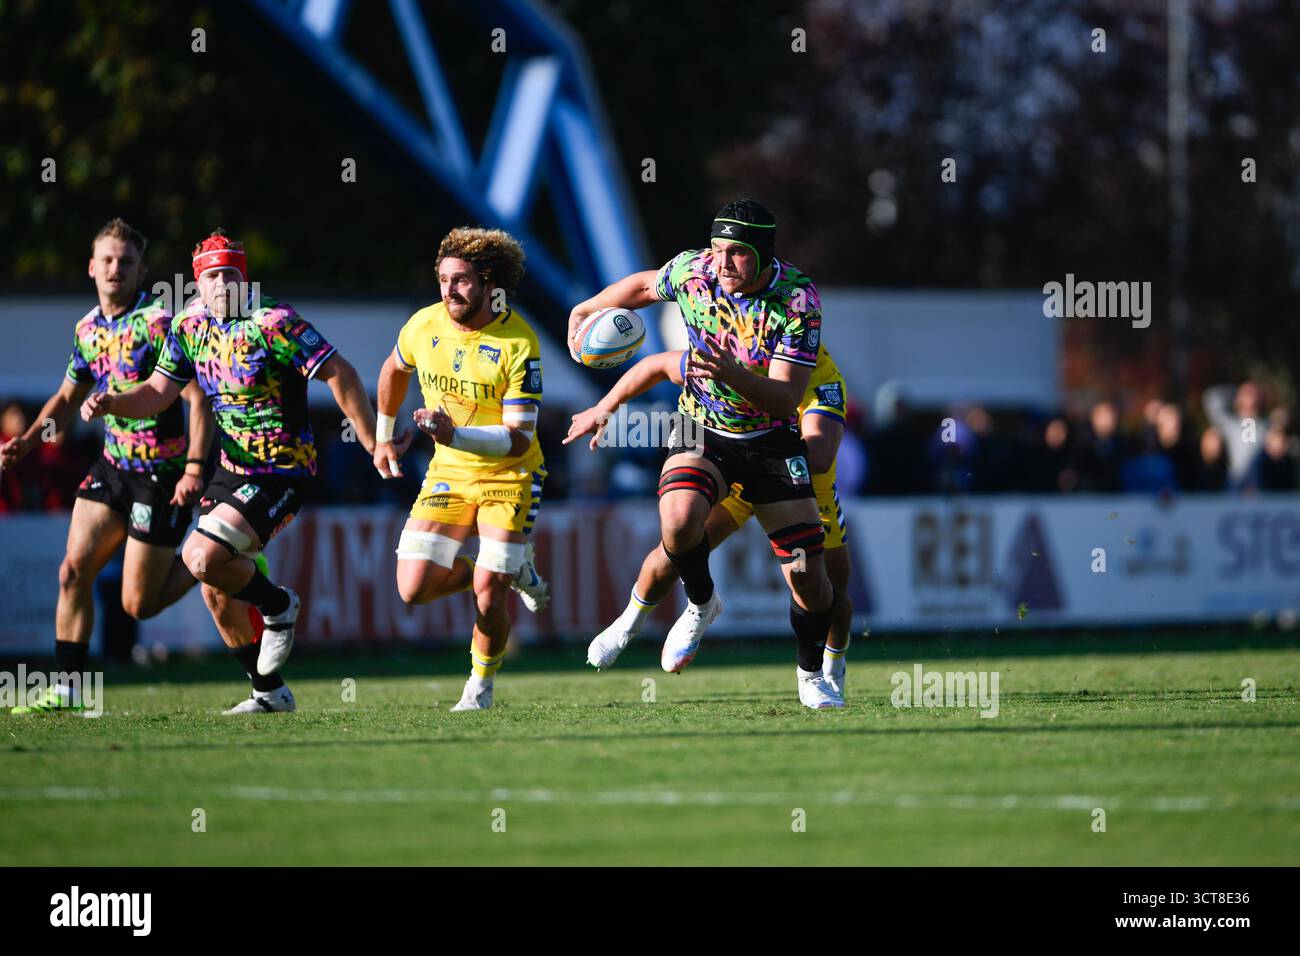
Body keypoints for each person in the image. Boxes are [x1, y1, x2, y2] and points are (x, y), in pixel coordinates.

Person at [83, 228, 378, 714]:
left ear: (244, 279)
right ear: (197, 283)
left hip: (282, 471)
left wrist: (370, 441)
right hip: (231, 470)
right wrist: (115, 400)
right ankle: (269, 692)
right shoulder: (187, 326)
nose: (223, 285)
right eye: (213, 276)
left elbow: (338, 372)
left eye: (231, 275)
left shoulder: (274, 321)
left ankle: (278, 605)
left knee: (200, 557)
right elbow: (159, 391)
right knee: (216, 594)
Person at [565, 198, 843, 710]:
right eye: (716, 250)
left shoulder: (798, 299)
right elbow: (644, 286)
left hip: (769, 437)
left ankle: (812, 674)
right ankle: (701, 602)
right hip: (702, 427)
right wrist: (588, 308)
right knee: (677, 520)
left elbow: (784, 398)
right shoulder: (696, 272)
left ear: (762, 255)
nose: (721, 264)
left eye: (735, 254)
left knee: (807, 574)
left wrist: (732, 373)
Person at [1, 219, 213, 713]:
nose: (117, 268)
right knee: (72, 571)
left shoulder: (161, 323)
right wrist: (27, 442)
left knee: (139, 604)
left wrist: (193, 469)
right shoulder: (87, 329)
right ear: (92, 266)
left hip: (161, 475)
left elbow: (197, 399)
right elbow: (66, 398)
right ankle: (68, 689)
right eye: (109, 260)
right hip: (112, 467)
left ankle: (211, 559)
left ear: (141, 270)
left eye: (127, 261)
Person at [567, 343, 854, 696]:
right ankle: (630, 622)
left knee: (825, 582)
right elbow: (656, 360)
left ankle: (832, 669)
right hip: (737, 476)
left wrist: (768, 464)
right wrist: (605, 405)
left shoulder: (823, 378)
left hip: (797, 481)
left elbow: (821, 457)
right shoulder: (742, 354)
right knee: (679, 540)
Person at [373, 227, 549, 712]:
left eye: (462, 280)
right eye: (444, 279)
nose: (450, 290)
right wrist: (384, 433)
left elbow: (519, 438)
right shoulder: (423, 325)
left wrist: (453, 434)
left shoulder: (519, 342)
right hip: (449, 472)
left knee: (489, 593)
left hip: (510, 474)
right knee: (413, 588)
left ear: (491, 285)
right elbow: (393, 369)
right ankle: (507, 569)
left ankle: (479, 689)